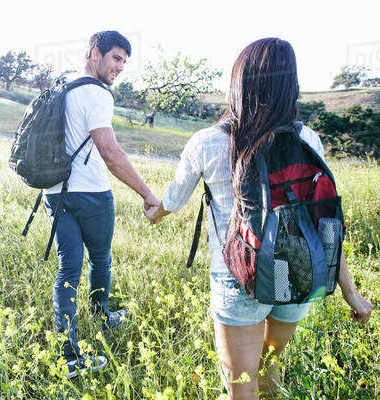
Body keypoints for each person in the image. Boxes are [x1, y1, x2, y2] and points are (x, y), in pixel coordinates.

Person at [144, 38, 373, 398]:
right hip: (298, 269)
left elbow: (171, 201)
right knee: (271, 366)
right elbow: (324, 221)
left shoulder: (207, 142)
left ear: (239, 82)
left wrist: (153, 210)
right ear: (290, 85)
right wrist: (350, 291)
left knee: (240, 381)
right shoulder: (307, 139)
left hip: (239, 275)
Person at [43, 31, 161, 378]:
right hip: (91, 193)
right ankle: (102, 315)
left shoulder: (62, 85)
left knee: (68, 270)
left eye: (125, 60)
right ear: (94, 53)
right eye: (116, 58)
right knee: (101, 258)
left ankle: (69, 360)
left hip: (54, 191)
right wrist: (147, 194)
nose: (121, 66)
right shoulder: (96, 94)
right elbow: (110, 152)